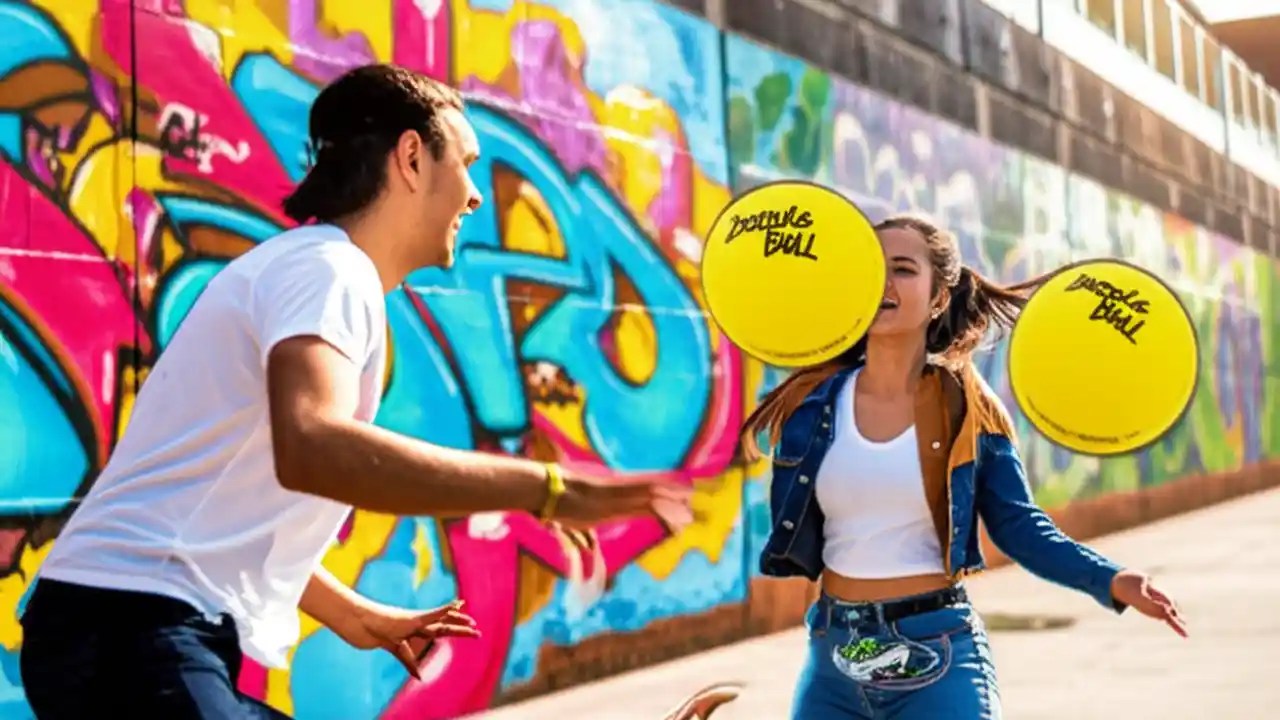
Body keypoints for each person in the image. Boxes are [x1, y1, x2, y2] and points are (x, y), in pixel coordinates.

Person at [18, 63, 692, 719]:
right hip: (132, 628)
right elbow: (313, 445)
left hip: (118, 624)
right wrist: (546, 491)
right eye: (466, 162)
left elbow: (221, 495)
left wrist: (350, 612)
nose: (477, 194)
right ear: (411, 158)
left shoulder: (310, 266)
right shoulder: (330, 269)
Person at [742, 214, 1187, 719]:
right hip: (833, 658)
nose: (883, 283)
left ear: (938, 297)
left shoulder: (968, 407)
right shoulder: (813, 404)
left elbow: (1019, 526)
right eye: (871, 268)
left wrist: (1110, 578)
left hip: (937, 654)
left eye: (903, 269)